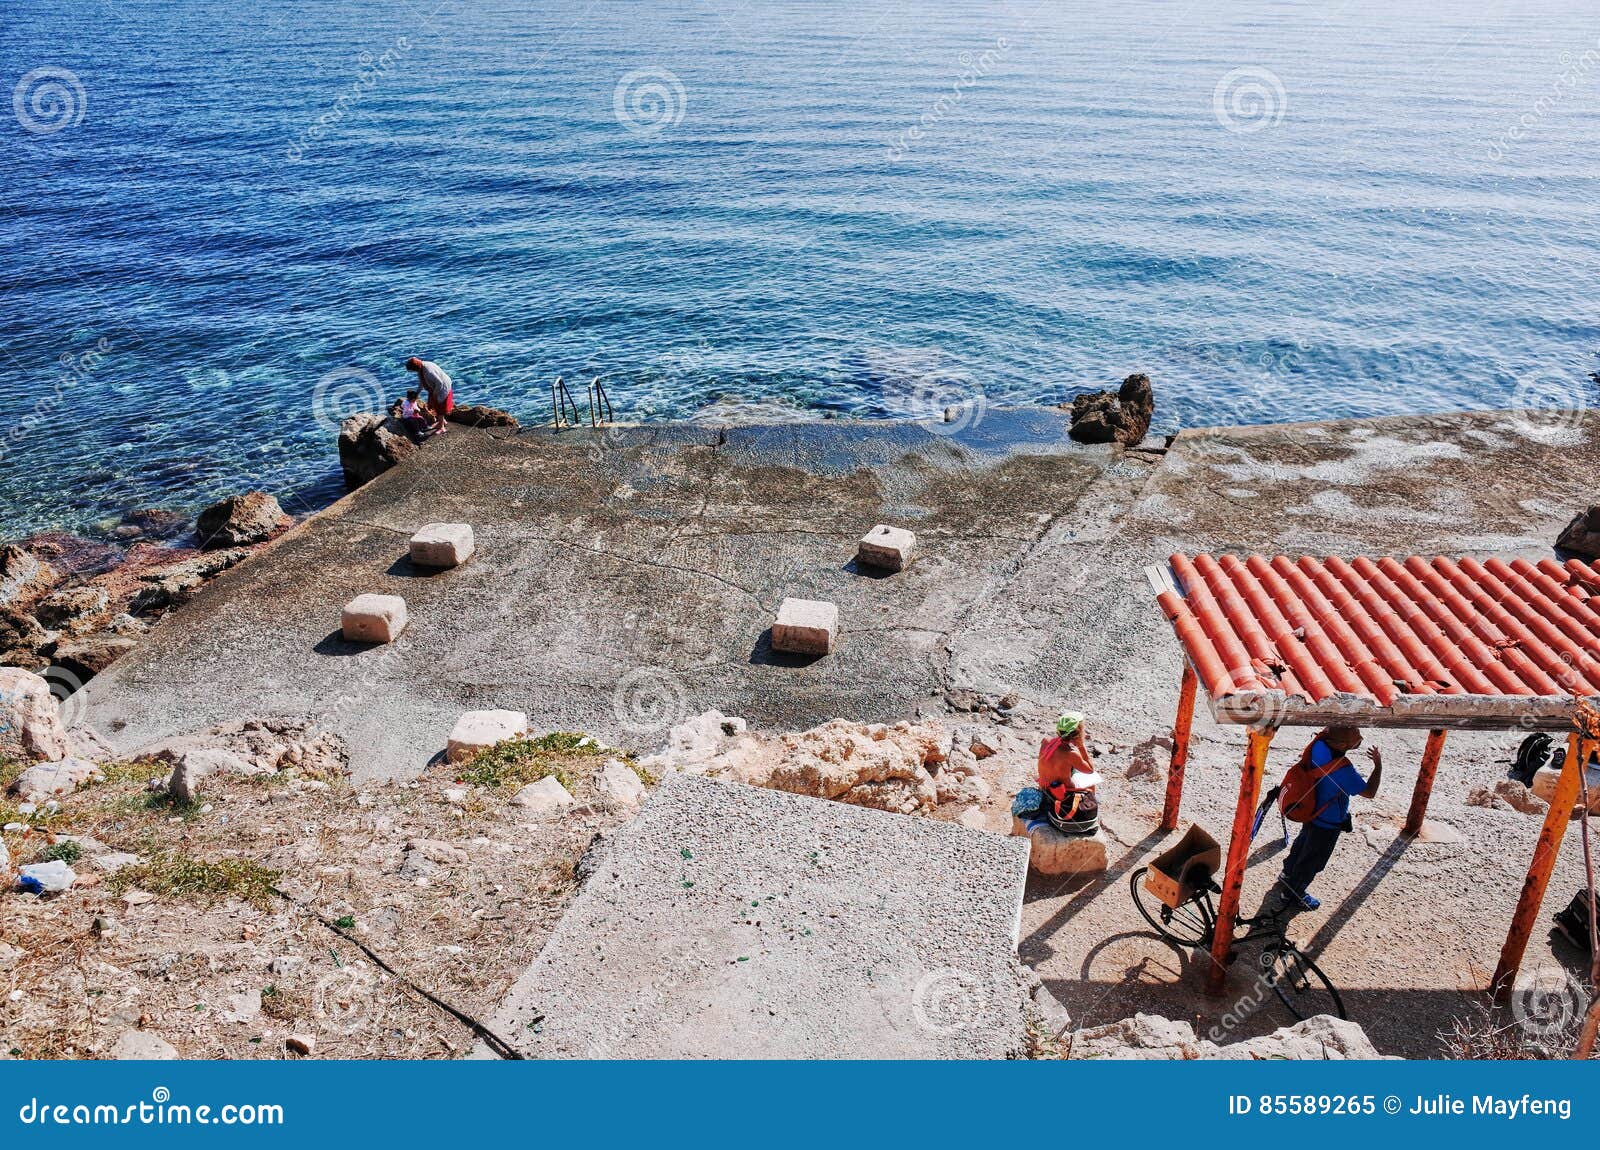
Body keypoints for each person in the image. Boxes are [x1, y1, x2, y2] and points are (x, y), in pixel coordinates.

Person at [1276, 726, 1382, 911]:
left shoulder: (1319, 747)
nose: (1359, 741)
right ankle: (1292, 894)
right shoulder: (1343, 771)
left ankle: (1287, 874)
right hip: (1327, 822)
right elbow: (1369, 792)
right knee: (1312, 861)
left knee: (1302, 845)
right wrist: (1378, 766)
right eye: (1354, 740)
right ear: (1341, 745)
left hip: (1310, 811)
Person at [1036, 711, 1102, 836]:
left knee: (1073, 771)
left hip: (1045, 788)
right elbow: (1090, 770)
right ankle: (1087, 806)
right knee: (1092, 782)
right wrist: (1081, 746)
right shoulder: (1071, 754)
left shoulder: (1046, 741)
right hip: (1062, 795)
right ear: (1077, 734)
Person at [405, 357, 453, 433]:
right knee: (434, 404)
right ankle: (442, 421)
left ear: (415, 368)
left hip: (442, 387)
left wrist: (435, 394)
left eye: (413, 370)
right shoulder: (421, 368)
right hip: (434, 387)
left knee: (439, 406)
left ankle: (441, 427)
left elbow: (439, 383)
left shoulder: (428, 371)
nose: (414, 372)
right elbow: (421, 382)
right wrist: (417, 393)